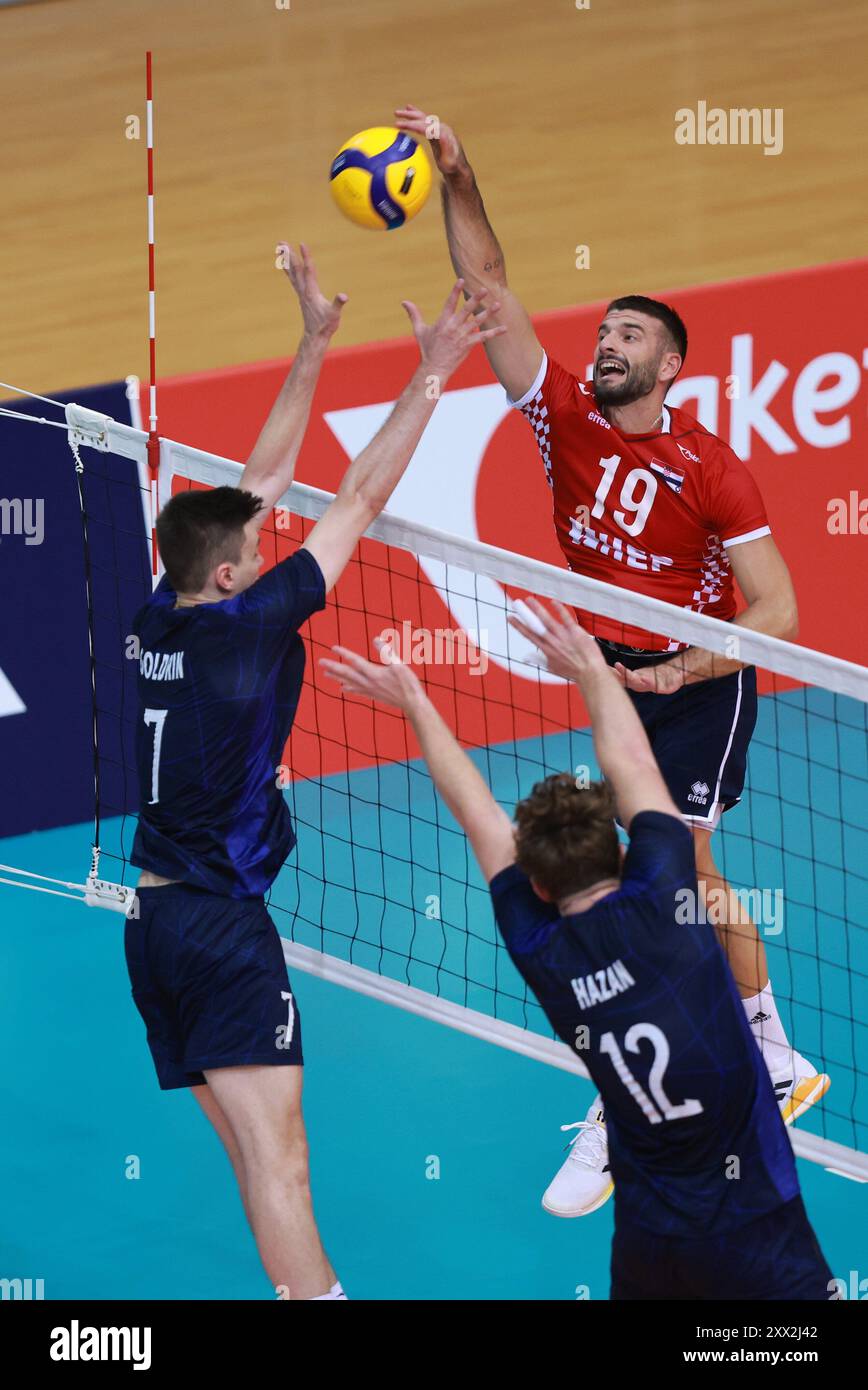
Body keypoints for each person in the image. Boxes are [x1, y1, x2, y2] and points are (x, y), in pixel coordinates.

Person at [392, 104, 829, 1217]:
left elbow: (776, 605)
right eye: (606, 332)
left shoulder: (711, 470)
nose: (608, 343)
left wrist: (690, 665)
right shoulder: (560, 418)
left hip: (697, 684)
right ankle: (687, 1069)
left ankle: (768, 1046)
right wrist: (458, 172)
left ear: (671, 363)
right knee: (626, 880)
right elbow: (486, 281)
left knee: (675, 868)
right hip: (612, 674)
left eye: (631, 335)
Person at [125, 242, 505, 1299]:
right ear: (239, 575)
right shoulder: (250, 629)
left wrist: (314, 344)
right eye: (259, 542)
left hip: (151, 926)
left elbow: (260, 487)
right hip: (216, 928)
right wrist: (431, 372)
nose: (271, 527)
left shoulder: (164, 608)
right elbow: (360, 497)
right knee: (284, 1162)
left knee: (257, 1159)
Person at [319, 600, 834, 1301]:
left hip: (652, 1246)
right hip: (760, 1225)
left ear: (534, 883)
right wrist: (596, 668)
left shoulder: (541, 949)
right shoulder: (665, 889)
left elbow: (477, 814)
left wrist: (414, 702)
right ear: (622, 852)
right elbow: (626, 757)